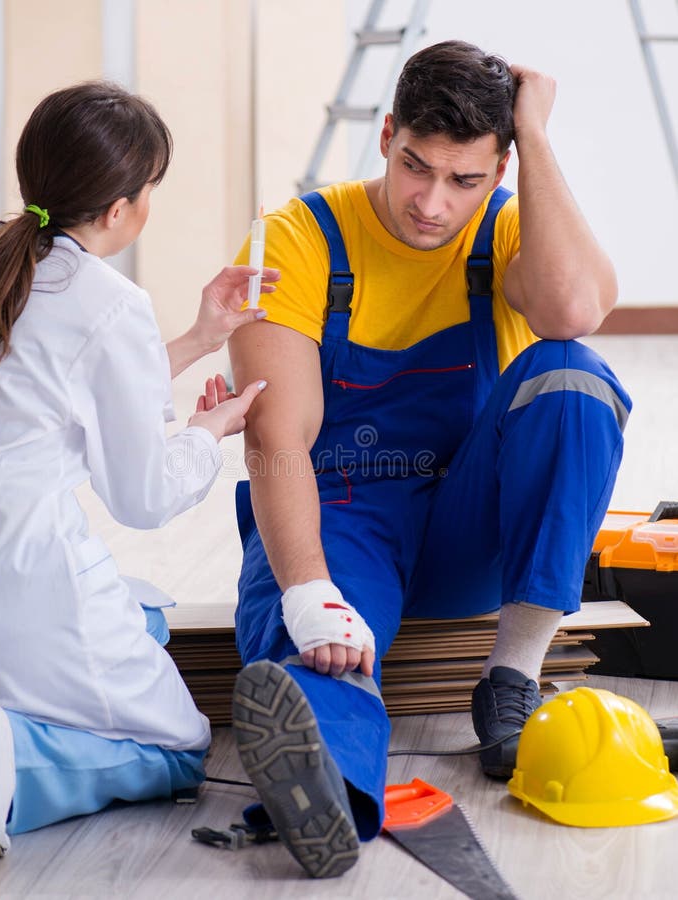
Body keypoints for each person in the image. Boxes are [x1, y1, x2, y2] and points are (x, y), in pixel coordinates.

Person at [227, 40, 631, 878]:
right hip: (342, 514)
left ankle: (509, 682)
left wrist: (536, 137)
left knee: (575, 377)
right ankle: (327, 788)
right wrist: (308, 592)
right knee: (326, 650)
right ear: (384, 134)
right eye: (416, 167)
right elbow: (276, 438)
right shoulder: (295, 237)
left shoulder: (507, 224)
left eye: (464, 179)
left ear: (497, 167)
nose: (431, 204)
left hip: (464, 529)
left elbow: (575, 307)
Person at [0, 81, 278, 857]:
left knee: (141, 613)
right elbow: (145, 496)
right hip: (22, 582)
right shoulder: (111, 301)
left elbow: (49, 391)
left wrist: (199, 336)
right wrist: (207, 430)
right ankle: (20, 759)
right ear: (123, 207)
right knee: (180, 750)